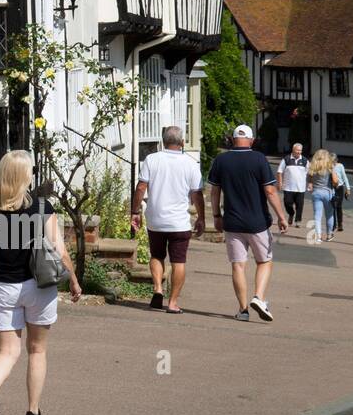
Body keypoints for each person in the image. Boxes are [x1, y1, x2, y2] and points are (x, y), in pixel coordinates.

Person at [0, 150, 80, 415]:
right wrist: (73, 279)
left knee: (7, 351)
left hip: (5, 287)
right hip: (38, 286)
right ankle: (33, 414)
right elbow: (59, 250)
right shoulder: (42, 207)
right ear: (25, 176)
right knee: (36, 350)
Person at [208, 124, 288, 321]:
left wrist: (217, 216)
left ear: (233, 140)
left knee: (238, 265)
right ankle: (259, 298)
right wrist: (281, 216)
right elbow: (270, 191)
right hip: (257, 222)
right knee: (265, 261)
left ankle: (243, 310)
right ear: (251, 140)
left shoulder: (221, 160)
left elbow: (215, 191)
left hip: (232, 222)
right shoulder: (259, 159)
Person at [131, 124, 205, 312]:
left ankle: (157, 288)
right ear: (182, 142)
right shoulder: (190, 164)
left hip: (156, 219)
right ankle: (172, 303)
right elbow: (197, 194)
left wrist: (135, 211)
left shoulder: (152, 159)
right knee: (178, 262)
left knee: (156, 255)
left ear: (164, 141)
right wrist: (201, 217)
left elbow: (141, 187)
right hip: (179, 222)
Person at [307, 148, 340, 242]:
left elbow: (309, 180)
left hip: (316, 193)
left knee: (317, 216)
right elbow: (335, 181)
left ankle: (318, 236)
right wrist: (336, 184)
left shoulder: (313, 167)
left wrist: (311, 184)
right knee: (329, 215)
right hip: (328, 193)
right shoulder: (330, 167)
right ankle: (329, 235)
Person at [277, 143, 308, 235]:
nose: (298, 152)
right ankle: (291, 213)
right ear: (293, 150)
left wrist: (310, 183)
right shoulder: (286, 159)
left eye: (300, 150)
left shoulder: (305, 160)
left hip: (300, 188)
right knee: (287, 203)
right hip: (288, 187)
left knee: (300, 205)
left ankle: (298, 221)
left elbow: (309, 173)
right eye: (297, 150)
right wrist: (280, 183)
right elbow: (279, 172)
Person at [332, 154, 351, 234]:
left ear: (336, 160)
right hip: (331, 188)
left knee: (338, 206)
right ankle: (333, 224)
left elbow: (344, 177)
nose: (333, 162)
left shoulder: (340, 166)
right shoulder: (327, 166)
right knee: (332, 206)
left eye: (334, 161)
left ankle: (340, 224)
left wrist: (348, 188)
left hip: (339, 188)